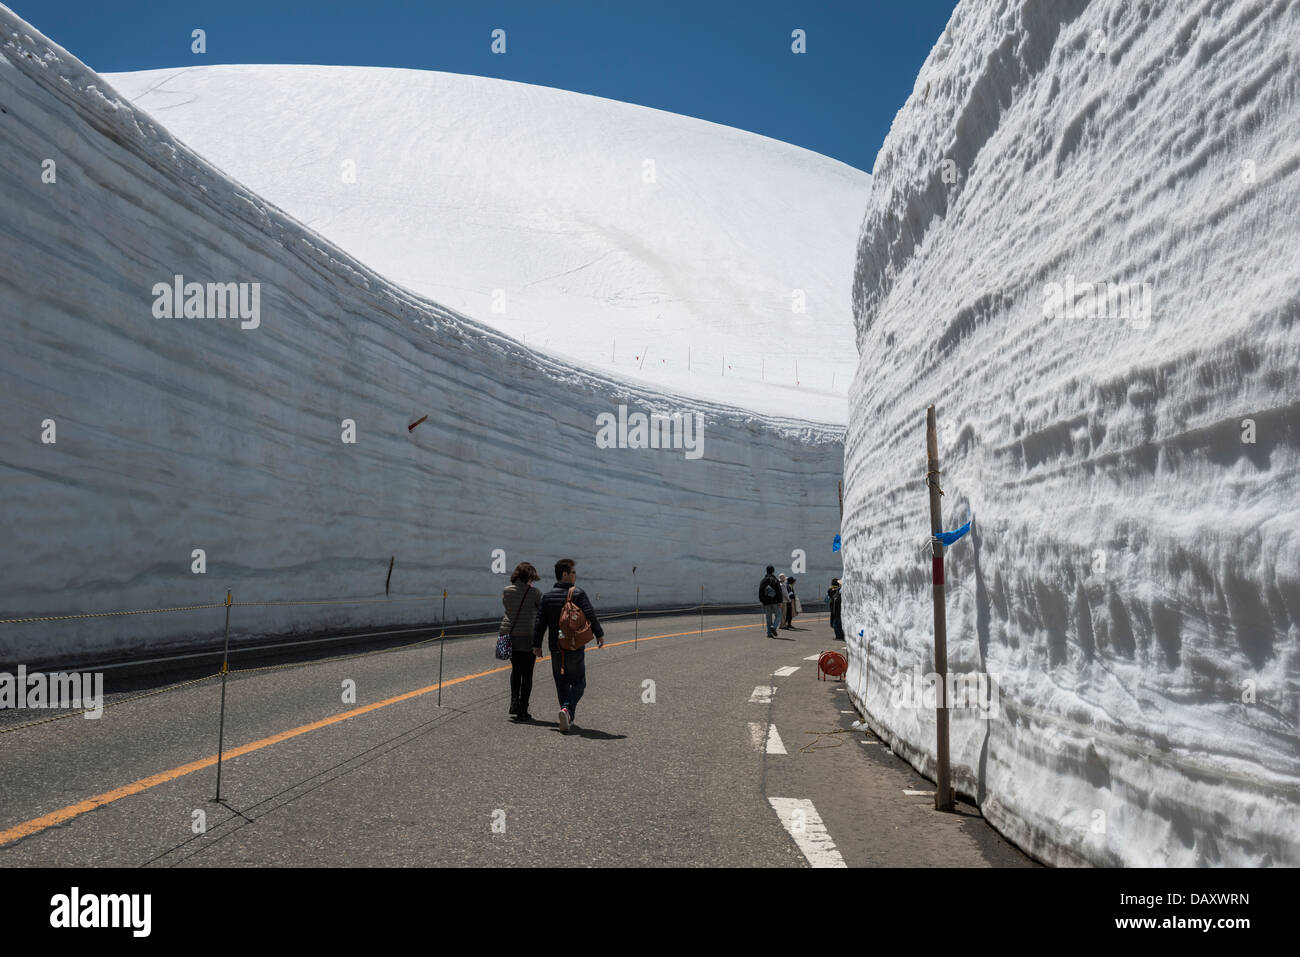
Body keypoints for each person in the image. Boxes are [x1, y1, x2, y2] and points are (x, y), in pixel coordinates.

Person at [533, 558, 604, 733]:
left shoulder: (547, 597)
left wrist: (536, 645)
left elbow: (540, 623)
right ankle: (567, 710)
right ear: (564, 574)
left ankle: (566, 715)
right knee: (579, 682)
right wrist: (599, 634)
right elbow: (590, 614)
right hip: (574, 646)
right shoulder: (578, 593)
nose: (575, 576)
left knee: (561, 682)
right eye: (573, 572)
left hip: (555, 646)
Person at [501, 562, 542, 721]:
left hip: (510, 635)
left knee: (516, 670)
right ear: (529, 577)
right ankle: (523, 709)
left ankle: (514, 702)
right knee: (528, 674)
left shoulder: (507, 591)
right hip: (528, 636)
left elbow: (508, 608)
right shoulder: (534, 593)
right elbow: (540, 610)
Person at [759, 565, 783, 637]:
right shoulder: (775, 580)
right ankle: (774, 627)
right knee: (778, 615)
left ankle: (769, 633)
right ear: (773, 571)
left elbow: (760, 591)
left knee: (768, 618)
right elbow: (779, 591)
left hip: (766, 602)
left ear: (766, 571)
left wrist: (762, 601)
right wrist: (780, 601)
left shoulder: (763, 580)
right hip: (775, 601)